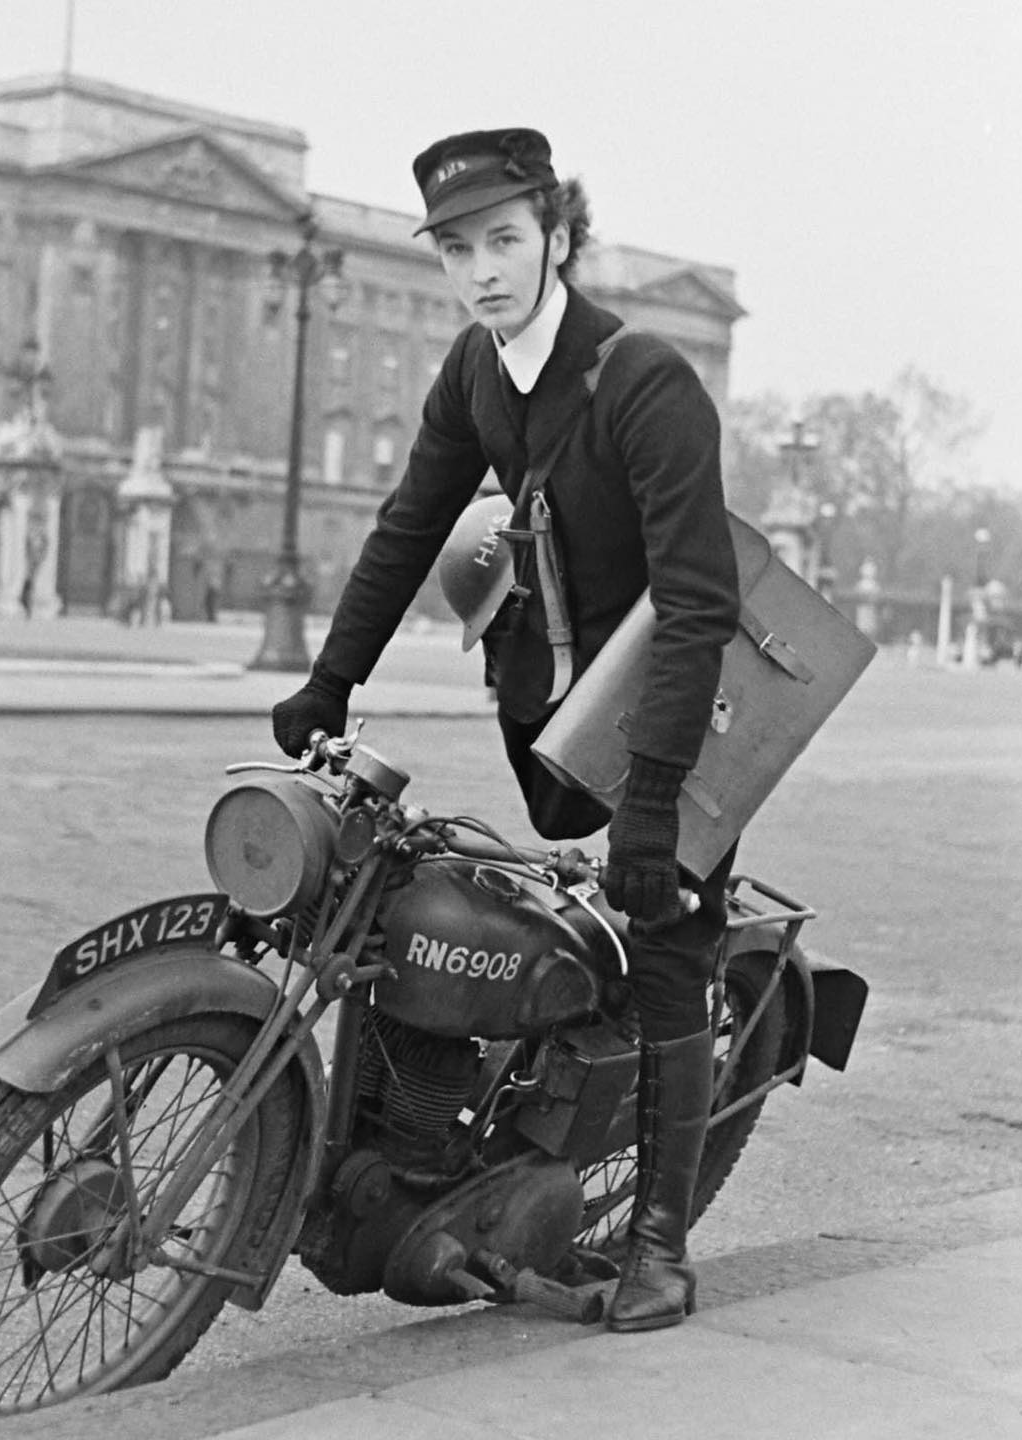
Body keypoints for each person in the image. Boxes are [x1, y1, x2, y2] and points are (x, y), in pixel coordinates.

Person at [272, 128, 740, 1333]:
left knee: (669, 943)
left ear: (557, 236)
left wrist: (654, 795)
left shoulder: (645, 379)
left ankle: (658, 1244)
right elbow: (407, 524)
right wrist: (330, 680)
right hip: (554, 711)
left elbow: (699, 606)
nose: (478, 270)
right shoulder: (475, 371)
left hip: (677, 710)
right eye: (455, 248)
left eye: (502, 240)